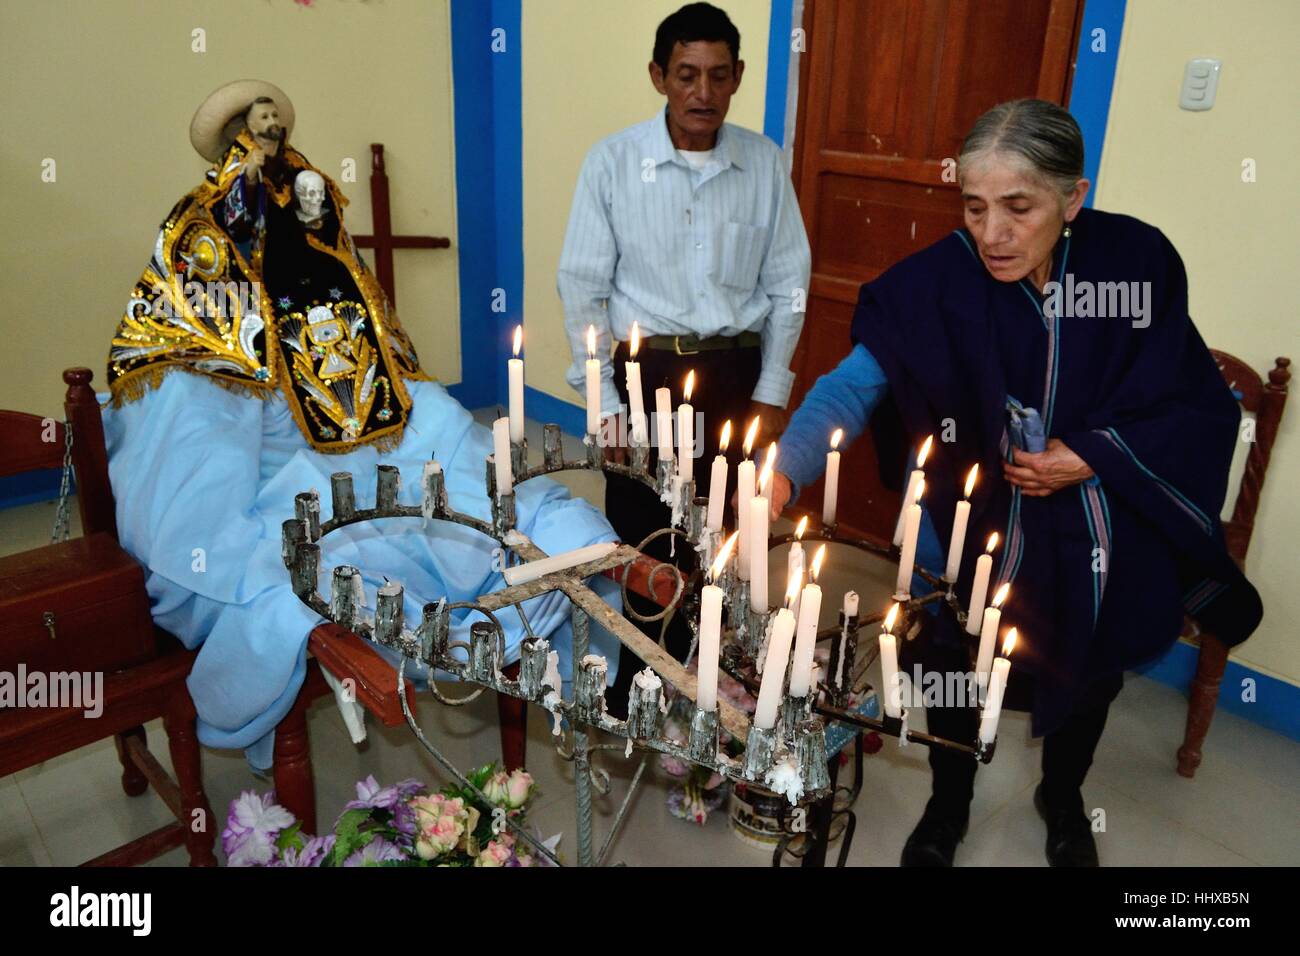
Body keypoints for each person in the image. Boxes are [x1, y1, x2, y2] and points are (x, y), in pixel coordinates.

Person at [771, 99, 1262, 867]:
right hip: (966, 523)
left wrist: (1092, 453)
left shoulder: (1133, 268)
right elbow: (852, 387)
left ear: (1073, 197)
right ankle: (947, 802)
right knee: (950, 662)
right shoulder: (936, 285)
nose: (992, 233)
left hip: (1096, 529)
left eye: (1018, 207)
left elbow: (1193, 403)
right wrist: (780, 476)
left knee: (1088, 671)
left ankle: (1062, 798)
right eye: (974, 206)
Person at [102, 80, 622, 770]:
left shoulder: (310, 223)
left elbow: (382, 368)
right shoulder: (205, 243)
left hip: (365, 444)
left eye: (275, 129)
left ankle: (524, 629)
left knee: (508, 502)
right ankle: (454, 625)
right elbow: (199, 418)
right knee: (301, 565)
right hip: (261, 454)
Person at [557, 3, 811, 708]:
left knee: (728, 533)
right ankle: (641, 681)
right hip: (646, 375)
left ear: (738, 79)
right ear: (659, 76)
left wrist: (772, 390)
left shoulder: (762, 162)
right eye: (687, 75)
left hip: (736, 377)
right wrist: (602, 403)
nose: (703, 92)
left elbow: (790, 283)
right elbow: (582, 287)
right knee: (646, 533)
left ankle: (719, 677)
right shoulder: (611, 163)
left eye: (719, 76)